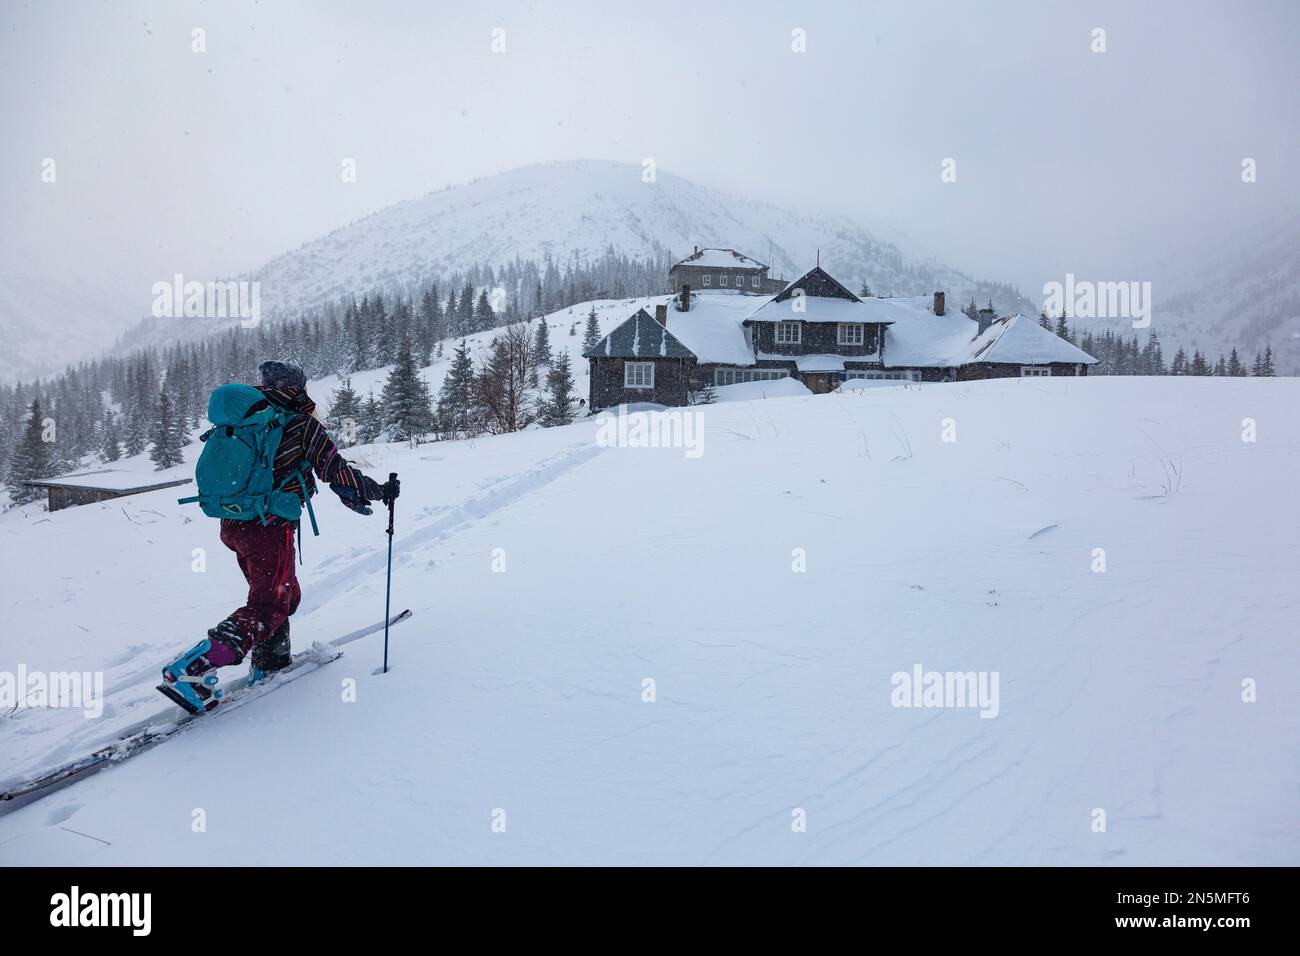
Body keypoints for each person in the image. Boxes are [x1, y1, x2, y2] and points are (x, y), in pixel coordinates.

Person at [159, 360, 399, 713]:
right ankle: (193, 670)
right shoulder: (301, 425)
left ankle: (271, 662)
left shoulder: (244, 421)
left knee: (283, 594)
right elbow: (337, 471)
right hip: (269, 526)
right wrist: (380, 491)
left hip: (234, 524)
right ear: (297, 389)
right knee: (269, 604)